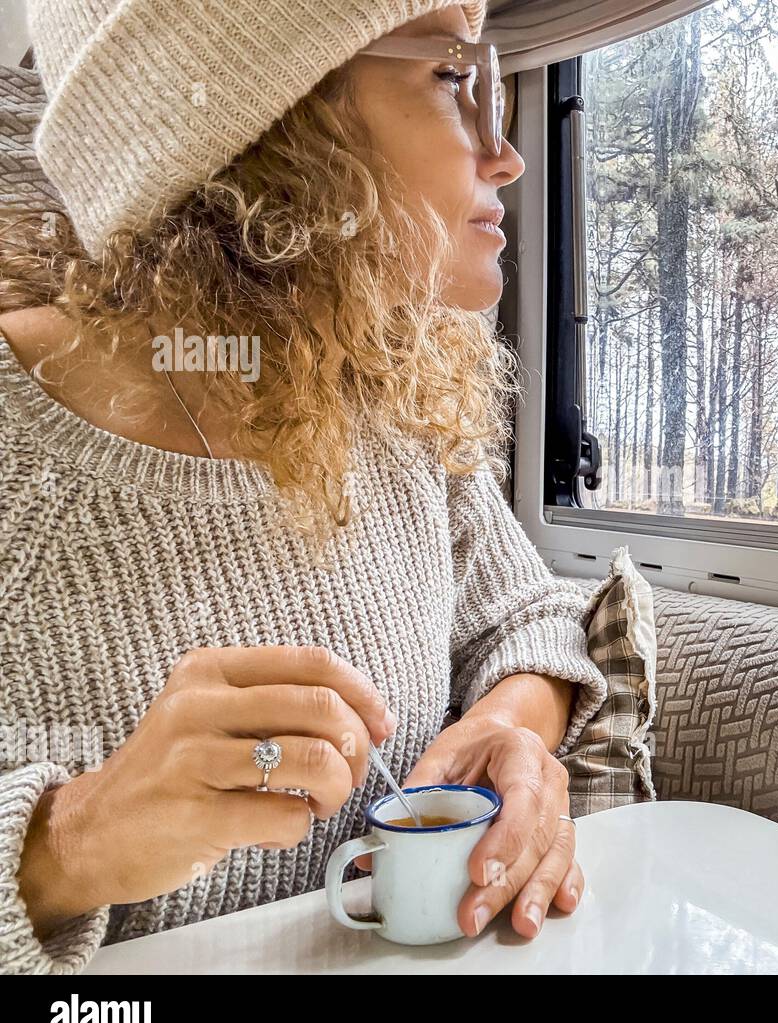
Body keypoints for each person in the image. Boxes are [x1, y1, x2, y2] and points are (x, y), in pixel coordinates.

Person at [0, 0, 608, 974]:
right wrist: (70, 841)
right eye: (453, 80)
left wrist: (507, 728)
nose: (507, 156)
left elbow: (526, 616)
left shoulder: (389, 390)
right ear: (269, 128)